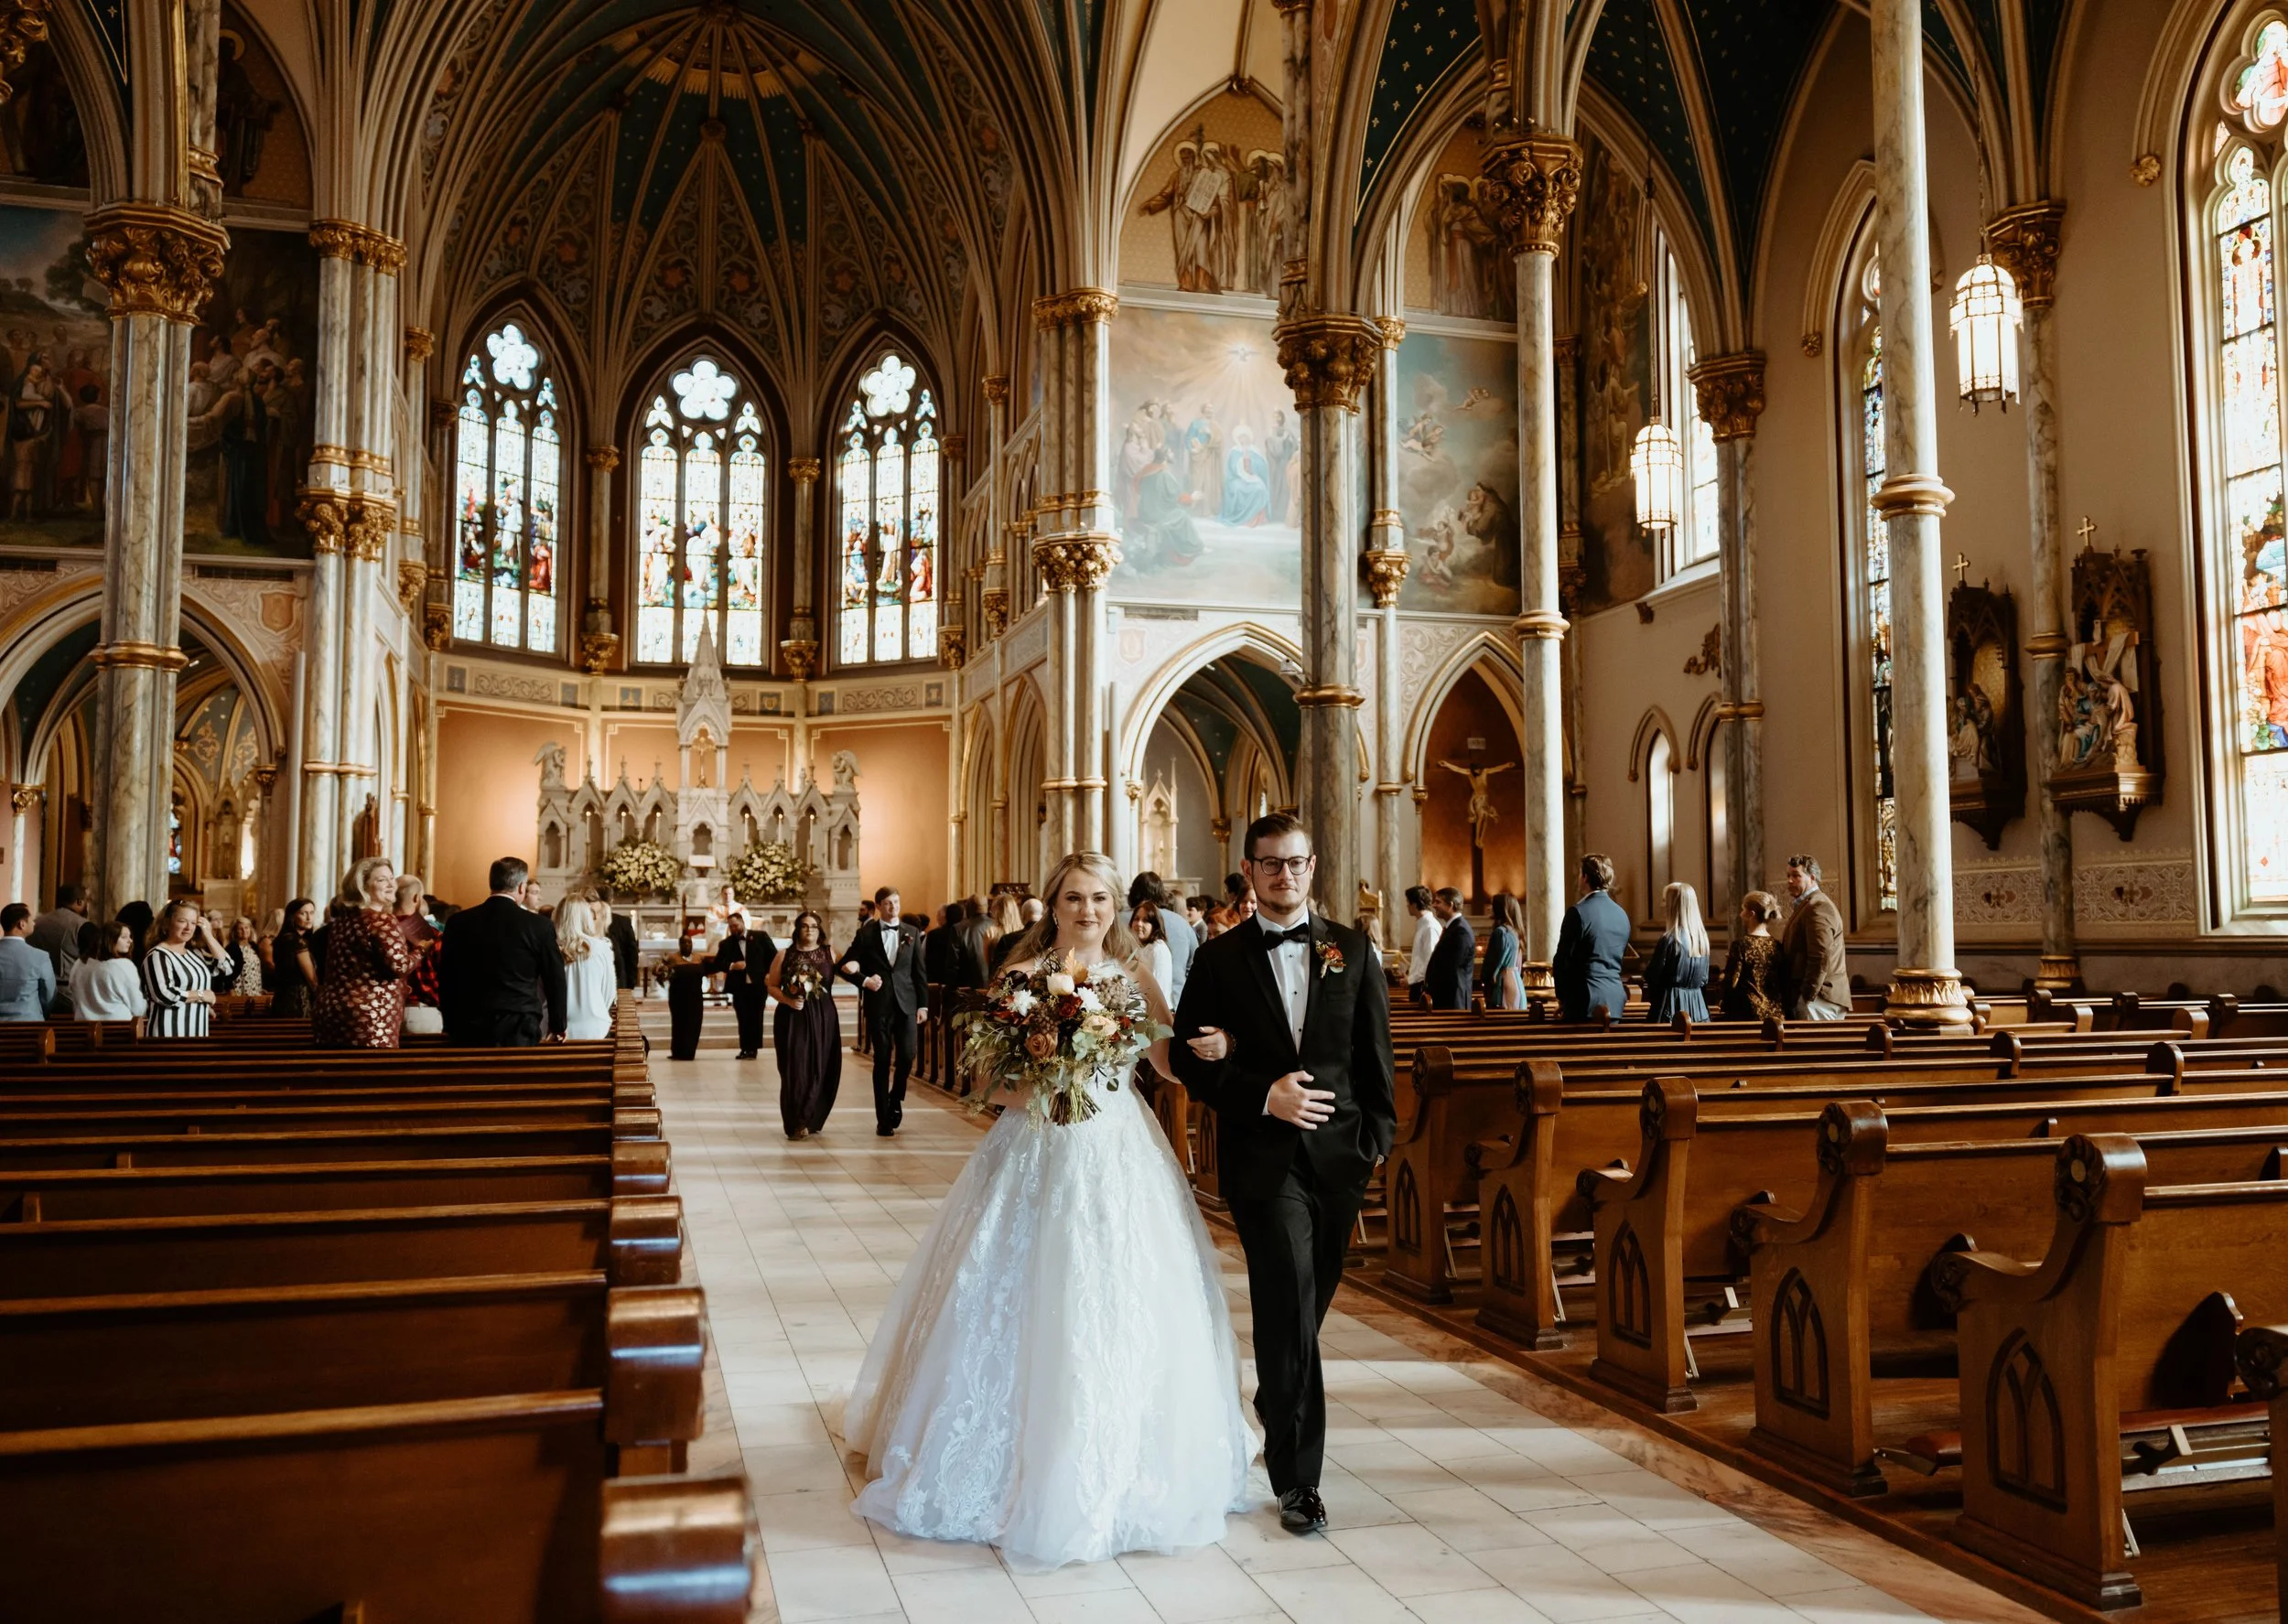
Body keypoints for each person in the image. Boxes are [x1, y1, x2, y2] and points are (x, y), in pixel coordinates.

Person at [849, 852, 1255, 1568]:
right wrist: (1033, 1091)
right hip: (1035, 1146)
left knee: (1120, 1293)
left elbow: (1165, 1065)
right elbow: (984, 1079)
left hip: (1117, 1147)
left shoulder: (1135, 981)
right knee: (1017, 1290)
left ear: (1118, 907)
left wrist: (1219, 1046)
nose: (1089, 910)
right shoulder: (1020, 980)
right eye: (1075, 897)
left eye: (1100, 897)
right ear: (1053, 904)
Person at [1172, 814, 1397, 1535]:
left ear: (1312, 866)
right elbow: (1185, 1059)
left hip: (1340, 1157)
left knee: (1308, 1299)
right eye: (1270, 864)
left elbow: (1373, 1052)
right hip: (1262, 1160)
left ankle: (1278, 1392)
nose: (1285, 875)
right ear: (1249, 869)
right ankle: (1298, 1479)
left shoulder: (1351, 950)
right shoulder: (1218, 959)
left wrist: (1377, 1138)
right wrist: (1258, 1091)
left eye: (1296, 863)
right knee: (1287, 1302)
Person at [439, 856, 568, 1046]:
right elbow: (554, 977)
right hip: (520, 1026)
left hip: (468, 1025)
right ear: (521, 887)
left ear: (491, 883)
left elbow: (446, 976)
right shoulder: (538, 926)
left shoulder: (459, 922)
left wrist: (449, 1023)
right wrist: (558, 1024)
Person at [838, 887, 928, 1135]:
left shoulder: (911, 932)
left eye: (896, 902)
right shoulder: (866, 933)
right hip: (879, 1004)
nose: (894, 907)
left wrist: (923, 1004)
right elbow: (843, 966)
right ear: (878, 906)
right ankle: (883, 1119)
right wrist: (864, 979)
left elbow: (919, 972)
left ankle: (895, 1096)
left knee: (908, 1054)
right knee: (882, 1059)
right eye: (888, 903)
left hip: (907, 1004)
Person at [315, 856, 415, 1049]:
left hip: (330, 1011)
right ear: (363, 886)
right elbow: (398, 966)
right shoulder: (382, 921)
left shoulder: (341, 923)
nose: (390, 884)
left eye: (391, 878)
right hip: (370, 1017)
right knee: (372, 1076)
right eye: (381, 880)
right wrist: (420, 949)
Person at [764, 909, 840, 1138]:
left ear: (820, 930)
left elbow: (851, 969)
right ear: (797, 929)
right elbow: (772, 985)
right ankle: (796, 1121)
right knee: (795, 1070)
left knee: (820, 1067)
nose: (810, 930)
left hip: (824, 1016)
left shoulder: (830, 953)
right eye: (805, 926)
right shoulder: (784, 955)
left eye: (814, 926)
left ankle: (810, 1117)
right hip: (793, 1018)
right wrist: (788, 1000)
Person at [1552, 854, 1630, 1022]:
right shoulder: (1621, 914)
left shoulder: (1578, 912)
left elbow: (1562, 960)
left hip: (1583, 999)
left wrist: (1562, 998)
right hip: (1615, 999)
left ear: (1585, 877)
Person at [1779, 854, 1851, 1019]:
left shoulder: (1818, 906)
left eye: (1796, 876)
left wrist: (1807, 995)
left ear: (1812, 878)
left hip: (1820, 998)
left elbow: (1820, 956)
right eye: (1788, 876)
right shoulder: (1808, 905)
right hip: (1816, 997)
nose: (1790, 880)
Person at [142, 898, 223, 1037]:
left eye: (193, 923)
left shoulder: (195, 955)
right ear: (167, 923)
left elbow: (224, 967)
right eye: (182, 921)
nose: (188, 927)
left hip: (198, 1031)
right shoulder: (158, 955)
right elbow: (164, 994)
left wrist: (208, 934)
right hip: (168, 1035)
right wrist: (202, 995)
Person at [1645, 881, 1712, 1024]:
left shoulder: (1669, 940)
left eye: (1664, 901)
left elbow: (1653, 976)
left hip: (1670, 1008)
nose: (1661, 905)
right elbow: (1704, 979)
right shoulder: (1702, 940)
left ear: (1673, 905)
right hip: (1698, 1009)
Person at [1720, 891, 1787, 1022]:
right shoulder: (1777, 945)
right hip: (1777, 1014)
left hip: (1748, 1014)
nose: (1740, 914)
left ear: (1751, 914)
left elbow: (1732, 982)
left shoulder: (1741, 945)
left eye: (1743, 910)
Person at [1130, 871, 1196, 1001]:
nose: (1139, 923)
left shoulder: (1124, 919)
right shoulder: (1182, 922)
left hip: (1142, 1006)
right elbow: (1193, 963)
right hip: (1178, 1000)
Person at [559, 898, 618, 1041]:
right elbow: (609, 991)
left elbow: (542, 992)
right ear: (586, 917)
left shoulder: (550, 948)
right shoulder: (601, 947)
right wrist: (595, 1006)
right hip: (596, 1025)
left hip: (559, 1028)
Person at [711, 912, 767, 1059]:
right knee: (743, 1018)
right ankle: (744, 1048)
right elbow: (717, 963)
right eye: (730, 927)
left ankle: (753, 1049)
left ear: (742, 922)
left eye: (735, 925)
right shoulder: (726, 943)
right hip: (739, 987)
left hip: (758, 985)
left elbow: (772, 957)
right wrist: (732, 965)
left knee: (756, 1017)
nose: (733, 929)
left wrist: (768, 975)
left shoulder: (761, 937)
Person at [68, 920, 146, 1021]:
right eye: (124, 937)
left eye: (130, 937)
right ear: (110, 940)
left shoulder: (79, 964)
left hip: (84, 1028)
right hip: (120, 1029)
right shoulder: (123, 966)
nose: (130, 941)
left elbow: (75, 997)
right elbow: (138, 1009)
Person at [27, 883, 88, 1000]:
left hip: (36, 992)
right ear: (80, 902)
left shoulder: (36, 923)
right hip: (69, 994)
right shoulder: (83, 926)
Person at [1419, 887, 1475, 1010]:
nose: (1433, 905)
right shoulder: (1452, 928)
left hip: (1453, 1000)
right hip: (1445, 998)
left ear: (1450, 905)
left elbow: (1452, 969)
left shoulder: (1461, 931)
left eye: (1438, 902)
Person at [660, 931, 711, 1059]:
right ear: (680, 944)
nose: (687, 945)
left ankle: (690, 1052)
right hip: (678, 997)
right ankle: (677, 1052)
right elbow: (661, 972)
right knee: (679, 1024)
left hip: (695, 997)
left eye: (689, 942)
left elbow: (706, 970)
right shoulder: (672, 958)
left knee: (694, 1024)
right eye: (684, 942)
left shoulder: (699, 958)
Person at [0, 901, 54, 1020]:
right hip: (30, 1022)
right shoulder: (40, 957)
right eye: (31, 920)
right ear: (22, 924)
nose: (34, 923)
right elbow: (48, 995)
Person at [268, 898, 318, 1017]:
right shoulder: (295, 941)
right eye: (303, 913)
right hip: (298, 1000)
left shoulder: (283, 939)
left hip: (281, 998)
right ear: (292, 916)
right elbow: (312, 979)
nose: (309, 918)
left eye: (311, 913)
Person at [1478, 892, 1524, 1011]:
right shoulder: (1514, 932)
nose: (1489, 908)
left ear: (1500, 909)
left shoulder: (1501, 932)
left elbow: (1494, 962)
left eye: (1492, 905)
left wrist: (1485, 979)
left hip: (1502, 984)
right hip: (1516, 982)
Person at [1403, 885, 1443, 1007]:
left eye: (1408, 902)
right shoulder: (1423, 924)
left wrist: (1410, 980)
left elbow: (1429, 962)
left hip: (1422, 987)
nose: (1407, 906)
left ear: (1414, 905)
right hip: (1417, 984)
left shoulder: (1430, 927)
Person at [1130, 898, 1173, 994]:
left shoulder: (1158, 949)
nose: (1139, 924)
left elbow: (1160, 989)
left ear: (1155, 925)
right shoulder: (1135, 947)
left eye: (1145, 920)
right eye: (1136, 919)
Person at [986, 892, 1027, 973]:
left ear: (997, 911)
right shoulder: (1023, 931)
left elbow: (987, 963)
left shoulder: (991, 932)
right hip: (1019, 975)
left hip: (998, 976)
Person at [607, 904, 641, 991]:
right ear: (611, 900)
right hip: (620, 976)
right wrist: (631, 981)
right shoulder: (623, 922)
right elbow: (632, 954)